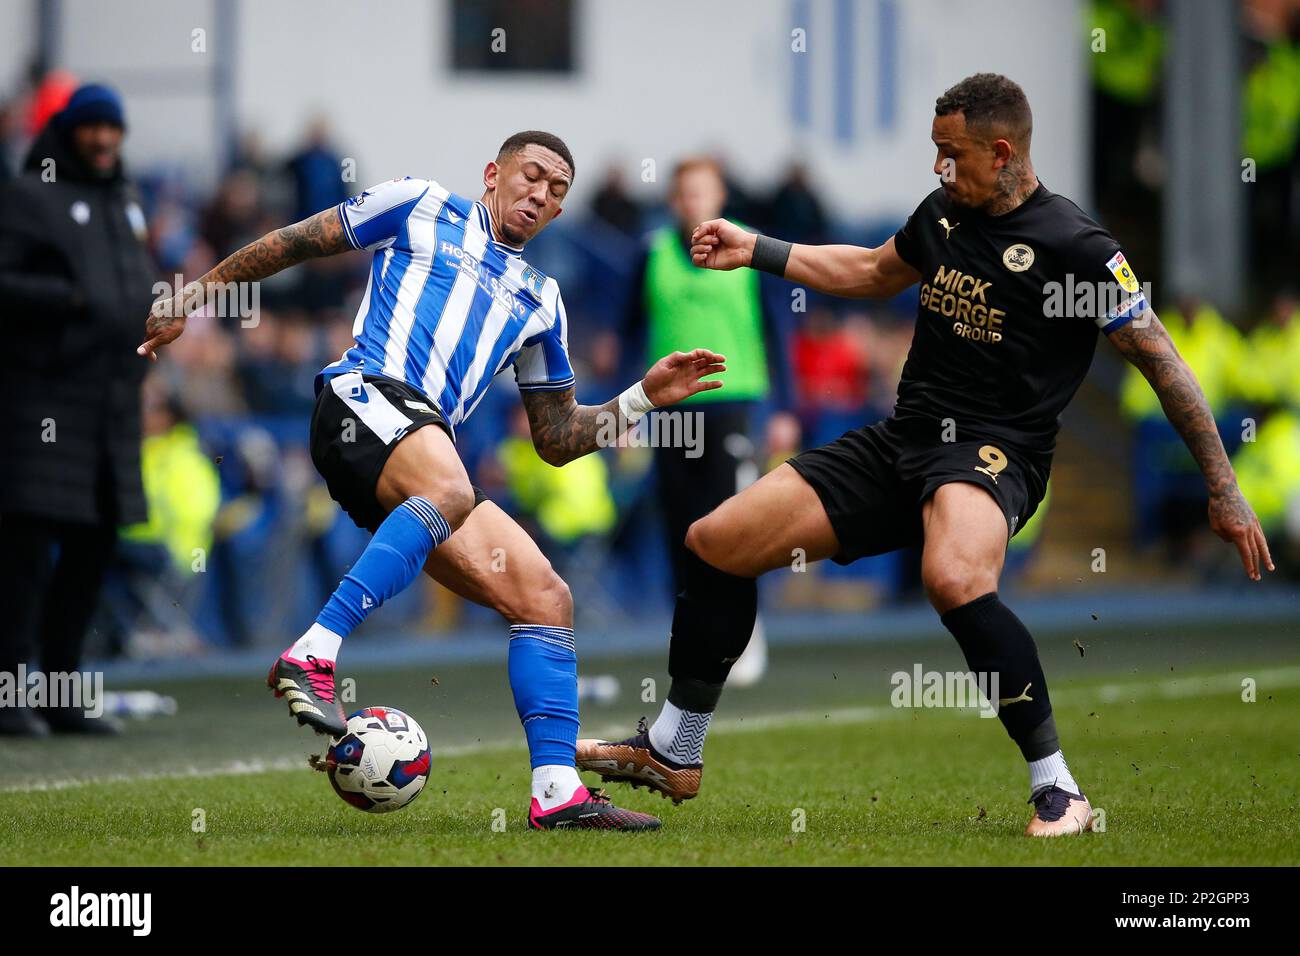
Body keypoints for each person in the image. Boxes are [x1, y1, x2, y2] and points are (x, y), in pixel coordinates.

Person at [577, 74, 1273, 837]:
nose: (940, 169)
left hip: (996, 451)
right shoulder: (944, 212)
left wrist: (1224, 486)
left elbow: (1163, 362)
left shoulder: (1078, 248)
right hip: (904, 436)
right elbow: (874, 272)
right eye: (935, 152)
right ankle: (677, 747)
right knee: (716, 542)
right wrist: (759, 251)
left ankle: (1060, 788)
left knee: (952, 577)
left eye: (953, 154)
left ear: (1002, 152)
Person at [139, 131, 726, 831]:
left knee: (545, 596)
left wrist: (640, 399)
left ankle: (556, 793)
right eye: (531, 176)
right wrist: (195, 294)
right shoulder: (419, 203)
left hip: (420, 452)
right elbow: (298, 241)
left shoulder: (542, 299)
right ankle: (314, 653)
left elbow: (558, 439)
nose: (541, 194)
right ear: (493, 175)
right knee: (450, 488)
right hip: (361, 397)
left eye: (558, 190)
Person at [0, 83, 157, 736]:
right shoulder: (29, 194)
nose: (103, 141)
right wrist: (66, 302)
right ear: (68, 133)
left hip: (112, 410)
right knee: (25, 560)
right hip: (44, 405)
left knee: (93, 555)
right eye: (91, 129)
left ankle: (62, 696)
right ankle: (7, 696)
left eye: (112, 130)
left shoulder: (124, 202)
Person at [622, 157, 790, 684]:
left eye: (703, 191)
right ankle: (692, 642)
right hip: (668, 407)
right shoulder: (651, 253)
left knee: (733, 523)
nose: (693, 201)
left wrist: (786, 408)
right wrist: (623, 410)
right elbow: (628, 335)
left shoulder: (750, 248)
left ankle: (744, 638)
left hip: (732, 401)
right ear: (674, 200)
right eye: (684, 193)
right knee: (681, 528)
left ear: (719, 198)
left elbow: (777, 330)